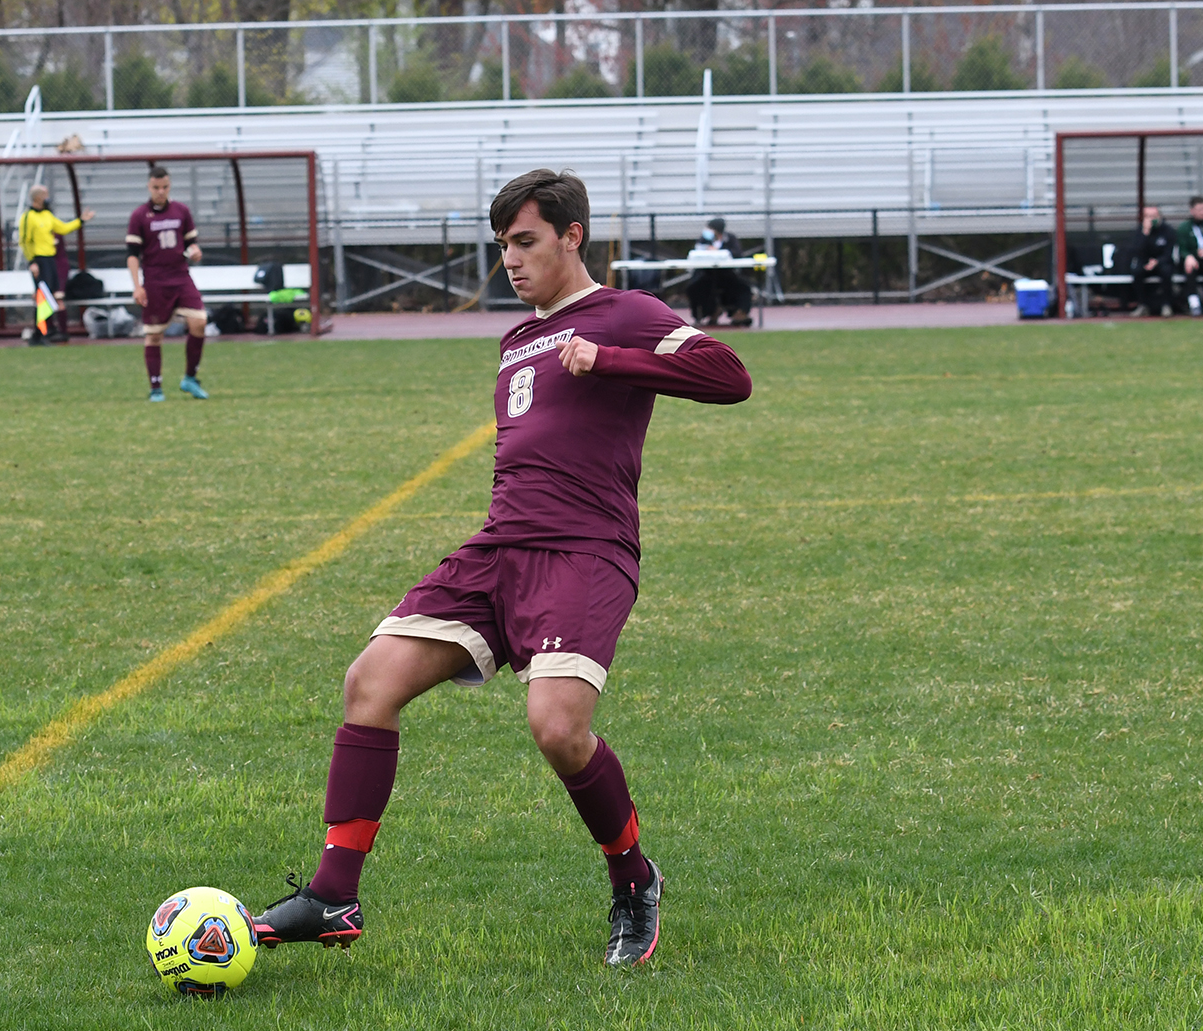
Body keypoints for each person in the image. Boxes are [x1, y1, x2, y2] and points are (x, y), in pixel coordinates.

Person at [249, 169, 752, 967]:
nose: (511, 261)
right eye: (503, 247)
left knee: (557, 728)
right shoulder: (518, 340)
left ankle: (633, 879)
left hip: (586, 551)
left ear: (570, 236)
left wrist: (615, 359)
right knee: (369, 684)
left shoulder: (626, 313)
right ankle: (333, 894)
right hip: (498, 550)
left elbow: (731, 377)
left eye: (525, 242)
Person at [126, 166, 207, 402]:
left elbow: (192, 244)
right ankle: (156, 388)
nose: (161, 192)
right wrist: (137, 285)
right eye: (156, 188)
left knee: (199, 322)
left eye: (165, 187)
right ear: (149, 187)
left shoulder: (181, 211)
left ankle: (190, 378)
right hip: (155, 281)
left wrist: (195, 252)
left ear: (169, 186)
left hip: (181, 277)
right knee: (153, 336)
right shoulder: (139, 215)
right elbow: (132, 254)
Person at [17, 184, 93, 345]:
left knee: (48, 297)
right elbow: (24, 241)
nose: (48, 198)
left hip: (50, 260)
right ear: (38, 197)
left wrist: (81, 221)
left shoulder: (47, 215)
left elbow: (63, 228)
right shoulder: (28, 217)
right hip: (39, 260)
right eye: (45, 195)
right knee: (42, 297)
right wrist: (31, 262)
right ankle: (40, 334)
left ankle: (41, 333)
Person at [686, 217, 752, 327]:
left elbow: (737, 254)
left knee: (742, 287)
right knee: (694, 287)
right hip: (706, 274)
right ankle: (709, 312)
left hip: (727, 274)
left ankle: (740, 312)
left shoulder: (730, 238)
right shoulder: (704, 239)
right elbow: (696, 252)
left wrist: (720, 252)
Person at [1127, 205, 1177, 317]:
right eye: (1148, 216)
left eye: (1154, 216)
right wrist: (1145, 233)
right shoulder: (1140, 231)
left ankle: (1166, 305)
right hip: (1145, 262)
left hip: (1162, 262)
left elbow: (1169, 253)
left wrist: (1157, 261)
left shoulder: (1168, 230)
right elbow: (1137, 251)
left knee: (1166, 271)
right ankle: (1142, 305)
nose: (1151, 219)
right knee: (1137, 271)